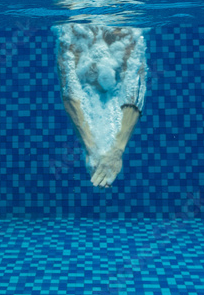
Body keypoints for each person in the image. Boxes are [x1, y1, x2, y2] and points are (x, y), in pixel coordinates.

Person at [54, 23, 146, 188]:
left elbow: (134, 86)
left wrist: (116, 150)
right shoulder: (75, 32)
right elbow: (70, 91)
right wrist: (92, 149)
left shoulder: (124, 33)